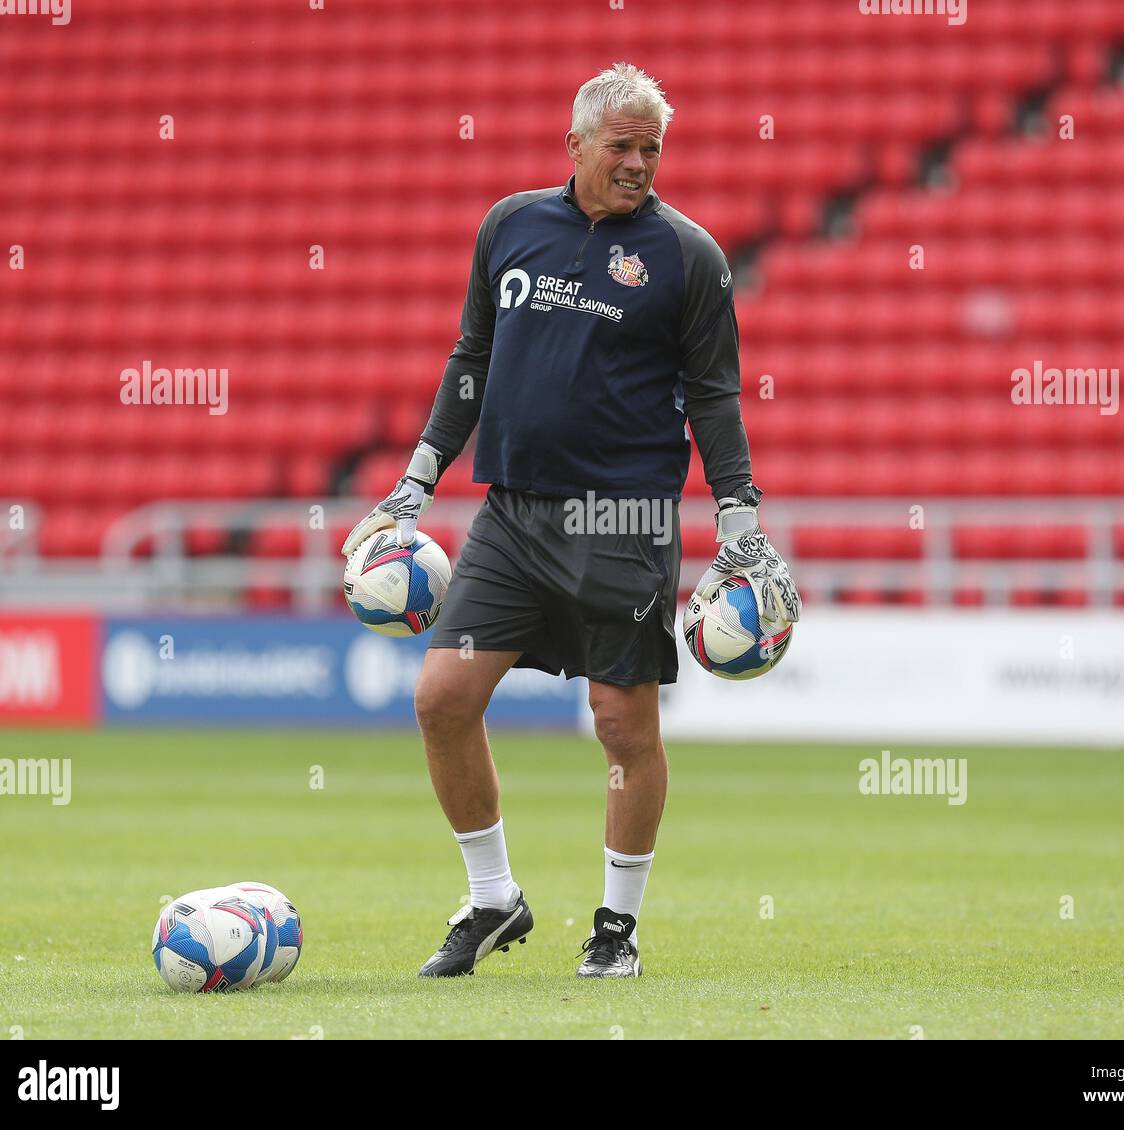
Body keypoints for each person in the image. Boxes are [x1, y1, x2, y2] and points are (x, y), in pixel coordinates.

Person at [341, 63, 800, 978]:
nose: (638, 163)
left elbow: (714, 398)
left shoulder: (688, 257)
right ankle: (492, 900)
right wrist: (416, 480)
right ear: (577, 144)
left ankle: (616, 931)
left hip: (622, 518)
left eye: (651, 149)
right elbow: (471, 357)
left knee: (622, 726)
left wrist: (740, 519)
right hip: (509, 515)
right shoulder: (510, 227)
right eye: (622, 146)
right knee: (441, 700)